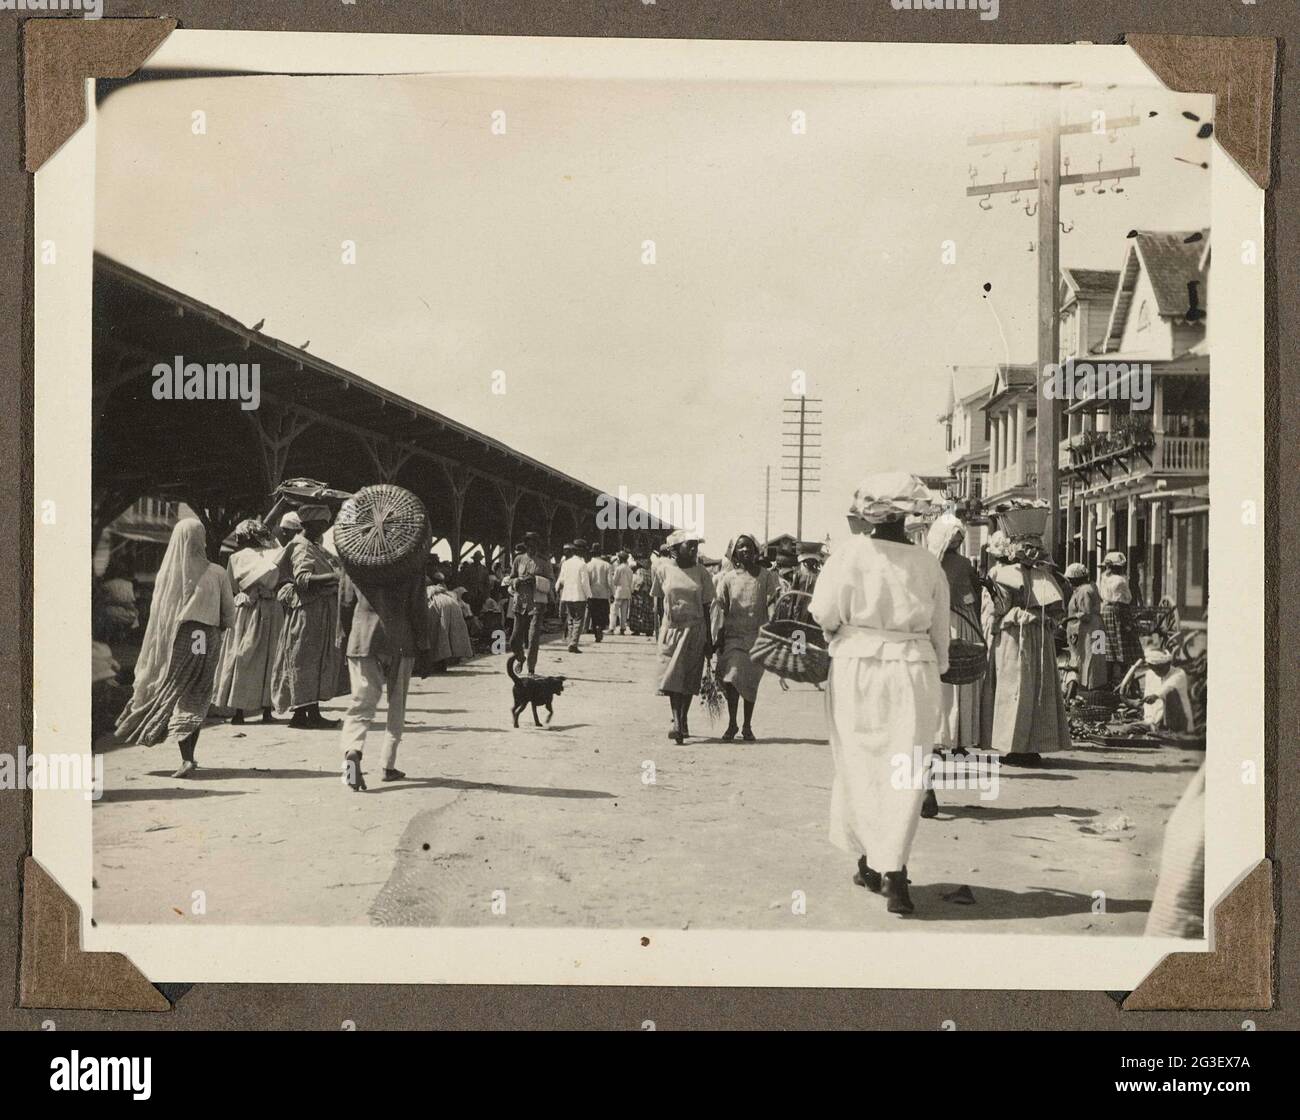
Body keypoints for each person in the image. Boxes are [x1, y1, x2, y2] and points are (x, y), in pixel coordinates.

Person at [810, 473, 948, 916]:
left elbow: (824, 614)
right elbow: (941, 634)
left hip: (856, 668)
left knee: (858, 764)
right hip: (913, 671)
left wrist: (845, 636)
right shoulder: (928, 563)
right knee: (904, 769)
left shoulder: (847, 555)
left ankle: (871, 862)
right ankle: (895, 873)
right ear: (907, 516)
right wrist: (936, 666)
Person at [115, 518, 236, 777]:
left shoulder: (169, 573)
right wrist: (217, 627)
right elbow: (228, 613)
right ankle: (190, 755)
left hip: (179, 639)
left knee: (176, 690)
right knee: (197, 692)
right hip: (207, 637)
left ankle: (185, 756)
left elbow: (158, 616)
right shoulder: (216, 571)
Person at [987, 513, 1071, 765]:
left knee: (1028, 688)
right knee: (1027, 689)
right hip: (1027, 637)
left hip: (1026, 637)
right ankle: (1024, 745)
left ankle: (1025, 745)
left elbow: (999, 610)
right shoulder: (1022, 574)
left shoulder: (1025, 574)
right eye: (1029, 547)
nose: (1032, 552)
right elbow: (1000, 609)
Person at [338, 565, 430, 790]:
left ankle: (353, 752)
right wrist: (425, 646)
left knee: (361, 702)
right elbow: (419, 609)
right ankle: (388, 766)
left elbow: (345, 605)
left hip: (362, 639)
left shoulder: (354, 561)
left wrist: (342, 639)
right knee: (397, 702)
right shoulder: (410, 562)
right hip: (400, 640)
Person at [272, 504, 344, 728]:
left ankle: (305, 714)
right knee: (305, 661)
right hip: (308, 611)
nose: (325, 528)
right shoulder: (302, 547)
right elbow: (303, 580)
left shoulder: (310, 546)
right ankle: (306, 715)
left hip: (315, 611)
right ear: (312, 523)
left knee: (309, 661)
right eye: (323, 524)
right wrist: (335, 577)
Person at [213, 518, 284, 725]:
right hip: (271, 606)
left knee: (241, 655)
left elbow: (232, 586)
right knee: (270, 657)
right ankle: (267, 710)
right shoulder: (275, 555)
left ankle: (238, 710)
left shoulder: (236, 558)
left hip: (247, 608)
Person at [711, 533, 779, 741]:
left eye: (749, 546)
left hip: (757, 638)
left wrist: (774, 626)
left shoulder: (766, 576)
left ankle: (747, 726)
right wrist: (717, 636)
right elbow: (720, 607)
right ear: (735, 553)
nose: (745, 550)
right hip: (733, 637)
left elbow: (773, 602)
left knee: (750, 683)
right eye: (741, 547)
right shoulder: (728, 579)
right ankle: (733, 724)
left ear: (755, 550)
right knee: (732, 678)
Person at [927, 513, 983, 764]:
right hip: (961, 623)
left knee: (942, 683)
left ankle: (939, 739)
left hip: (939, 623)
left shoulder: (930, 564)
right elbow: (972, 595)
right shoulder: (963, 565)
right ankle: (959, 740)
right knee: (963, 683)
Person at [652, 529, 715, 743]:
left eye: (696, 545)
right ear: (675, 549)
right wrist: (657, 631)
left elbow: (707, 607)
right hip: (671, 629)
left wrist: (709, 638)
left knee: (688, 678)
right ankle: (677, 722)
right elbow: (657, 603)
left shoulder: (702, 573)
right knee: (672, 676)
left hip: (695, 630)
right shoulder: (663, 569)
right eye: (690, 545)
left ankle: (682, 719)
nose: (694, 549)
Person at [1119, 647, 1197, 732]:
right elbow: (1148, 702)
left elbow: (1168, 687)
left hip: (1176, 724)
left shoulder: (1179, 673)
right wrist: (1149, 720)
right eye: (1156, 668)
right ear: (1150, 666)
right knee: (1125, 729)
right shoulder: (1150, 674)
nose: (1160, 671)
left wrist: (1156, 696)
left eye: (1163, 667)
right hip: (1153, 723)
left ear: (1168, 663)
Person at [506, 532, 552, 674]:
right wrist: (516, 581)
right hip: (521, 600)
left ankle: (531, 669)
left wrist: (536, 580)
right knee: (514, 638)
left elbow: (551, 583)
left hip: (537, 602)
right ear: (525, 545)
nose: (532, 548)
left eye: (534, 545)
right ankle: (520, 658)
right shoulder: (518, 560)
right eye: (529, 545)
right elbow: (510, 579)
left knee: (533, 638)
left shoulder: (544, 562)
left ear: (538, 546)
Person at [1099, 550, 1143, 686]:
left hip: (1105, 611)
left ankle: (1110, 680)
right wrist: (1128, 624)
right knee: (1124, 647)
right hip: (1119, 611)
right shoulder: (1121, 581)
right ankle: (1126, 681)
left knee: (1109, 649)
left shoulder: (1103, 577)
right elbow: (1125, 599)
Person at [1064, 561, 1108, 695]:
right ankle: (1097, 685)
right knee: (1098, 655)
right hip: (1097, 626)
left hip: (1089, 629)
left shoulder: (1083, 591)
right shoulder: (1091, 587)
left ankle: (1089, 687)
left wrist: (1070, 618)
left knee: (1088, 656)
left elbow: (1086, 614)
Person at [426, 568, 474, 669]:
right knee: (447, 635)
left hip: (440, 604)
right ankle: (443, 662)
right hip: (451, 604)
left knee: (439, 633)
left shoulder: (429, 588)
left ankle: (437, 661)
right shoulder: (444, 589)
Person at [555, 541, 591, 654]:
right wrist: (589, 595)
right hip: (579, 596)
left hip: (567, 595)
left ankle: (570, 640)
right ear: (582, 551)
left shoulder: (566, 563)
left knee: (570, 619)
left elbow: (561, 579)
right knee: (579, 620)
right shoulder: (582, 564)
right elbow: (584, 582)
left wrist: (557, 590)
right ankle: (574, 643)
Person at [585, 546, 613, 642]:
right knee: (603, 613)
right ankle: (600, 627)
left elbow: (586, 581)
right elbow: (610, 581)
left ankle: (596, 629)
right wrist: (612, 593)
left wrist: (586, 593)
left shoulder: (588, 565)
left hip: (592, 594)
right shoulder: (607, 565)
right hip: (603, 594)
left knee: (594, 614)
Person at [629, 557, 657, 636]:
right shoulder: (649, 572)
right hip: (649, 594)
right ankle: (649, 629)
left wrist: (635, 590)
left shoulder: (640, 571)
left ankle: (637, 629)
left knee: (638, 611)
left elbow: (640, 581)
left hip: (640, 593)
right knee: (648, 612)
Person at [611, 551, 635, 634]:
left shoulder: (619, 568)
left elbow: (614, 580)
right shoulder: (629, 569)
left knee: (614, 610)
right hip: (627, 591)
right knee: (624, 611)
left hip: (619, 590)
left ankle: (612, 627)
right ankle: (622, 628)